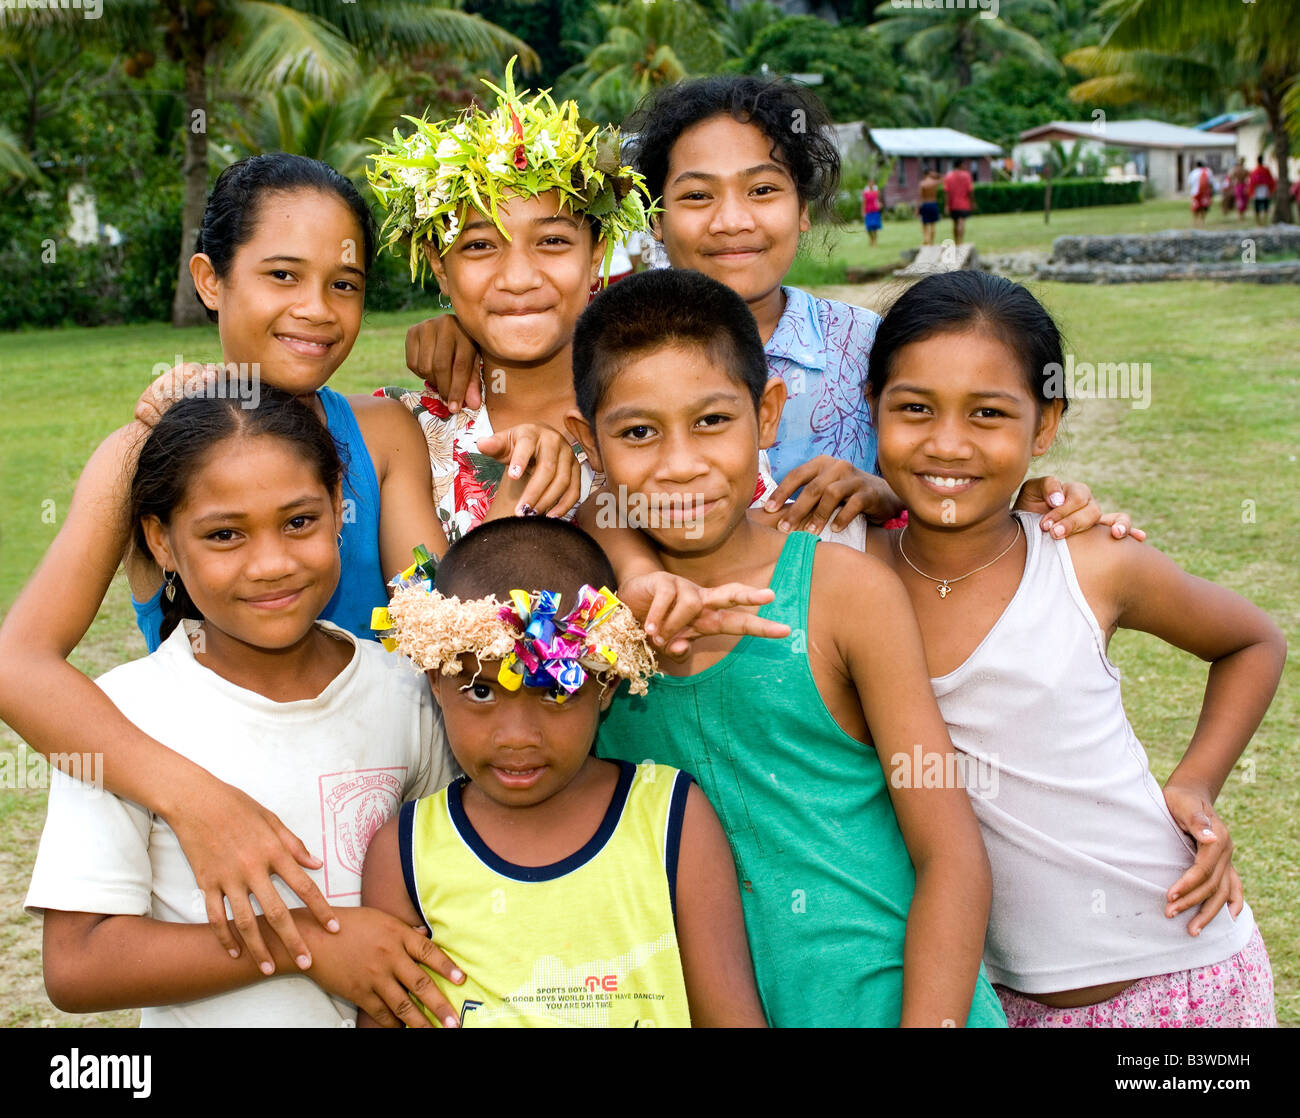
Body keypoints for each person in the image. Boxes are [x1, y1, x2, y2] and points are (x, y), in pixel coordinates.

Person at [0, 153, 455, 978]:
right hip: (212, 816)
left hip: (379, 806)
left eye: (344, 285)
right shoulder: (144, 454)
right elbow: (17, 663)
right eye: (282, 274)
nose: (316, 311)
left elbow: (442, 625)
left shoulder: (386, 436)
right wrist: (197, 802)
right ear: (209, 278)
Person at [401, 75, 1118, 545]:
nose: (731, 222)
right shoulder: (605, 339)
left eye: (764, 191)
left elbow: (958, 464)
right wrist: (455, 332)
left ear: (803, 210)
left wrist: (884, 494)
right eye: (696, 195)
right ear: (655, 219)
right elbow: (520, 311)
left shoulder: (872, 348)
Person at [567, 268, 1008, 1028]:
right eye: (638, 432)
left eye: (711, 421)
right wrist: (628, 573)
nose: (680, 464)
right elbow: (586, 515)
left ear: (768, 413)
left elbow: (952, 856)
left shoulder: (846, 594)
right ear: (589, 442)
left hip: (892, 1001)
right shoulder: (583, 613)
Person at [860, 271, 1283, 1027]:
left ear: (1044, 425)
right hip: (995, 998)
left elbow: (1253, 640)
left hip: (1181, 980)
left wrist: (1196, 785)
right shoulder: (840, 572)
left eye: (988, 413)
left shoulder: (1086, 560)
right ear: (872, 409)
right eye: (915, 409)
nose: (947, 442)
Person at [25, 387, 463, 1027]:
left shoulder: (405, 692)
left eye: (299, 521)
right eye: (225, 534)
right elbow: (79, 964)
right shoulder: (120, 718)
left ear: (341, 507)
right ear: (163, 543)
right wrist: (308, 945)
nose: (271, 564)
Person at [362, 517, 768, 1027]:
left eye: (555, 689)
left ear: (605, 685)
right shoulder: (404, 853)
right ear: (436, 682)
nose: (516, 736)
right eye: (481, 691)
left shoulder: (671, 820)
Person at [367, 60, 656, 543]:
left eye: (553, 242)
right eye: (480, 246)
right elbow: (419, 615)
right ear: (439, 265)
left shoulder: (670, 405)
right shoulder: (401, 433)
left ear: (596, 254)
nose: (519, 279)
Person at [942, 161, 974, 245]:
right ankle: (960, 241)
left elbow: (947, 192)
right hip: (964, 203)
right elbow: (970, 190)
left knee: (955, 223)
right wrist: (972, 202)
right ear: (960, 165)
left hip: (953, 204)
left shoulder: (948, 176)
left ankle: (956, 241)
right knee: (961, 222)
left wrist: (946, 205)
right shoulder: (966, 175)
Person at [918, 166, 943, 247]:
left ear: (923, 174)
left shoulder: (922, 183)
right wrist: (935, 174)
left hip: (925, 204)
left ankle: (926, 239)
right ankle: (931, 242)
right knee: (933, 224)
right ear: (929, 173)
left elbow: (920, 197)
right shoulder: (934, 182)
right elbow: (944, 178)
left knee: (924, 224)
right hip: (933, 203)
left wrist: (917, 208)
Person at [1248, 156, 1275, 226]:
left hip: (1257, 191)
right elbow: (1271, 180)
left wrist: (1251, 192)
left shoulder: (1254, 171)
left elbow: (1252, 182)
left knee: (1257, 207)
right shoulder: (1266, 170)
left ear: (1257, 161)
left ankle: (1259, 222)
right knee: (1265, 206)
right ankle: (1264, 221)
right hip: (1265, 190)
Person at [1189, 160, 1213, 227]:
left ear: (1196, 165)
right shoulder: (1208, 171)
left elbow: (1190, 183)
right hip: (1204, 192)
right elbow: (1211, 182)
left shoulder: (1193, 172)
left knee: (1195, 207)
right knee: (1203, 207)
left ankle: (1195, 221)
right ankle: (1202, 221)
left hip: (1195, 192)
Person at [862, 178, 883, 247]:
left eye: (872, 183)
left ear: (873, 183)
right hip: (868, 211)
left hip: (875, 211)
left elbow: (879, 200)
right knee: (868, 228)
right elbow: (863, 203)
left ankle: (875, 242)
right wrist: (863, 211)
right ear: (868, 184)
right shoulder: (865, 192)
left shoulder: (876, 191)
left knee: (875, 227)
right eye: (870, 183)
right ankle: (871, 238)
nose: (871, 184)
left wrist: (880, 204)